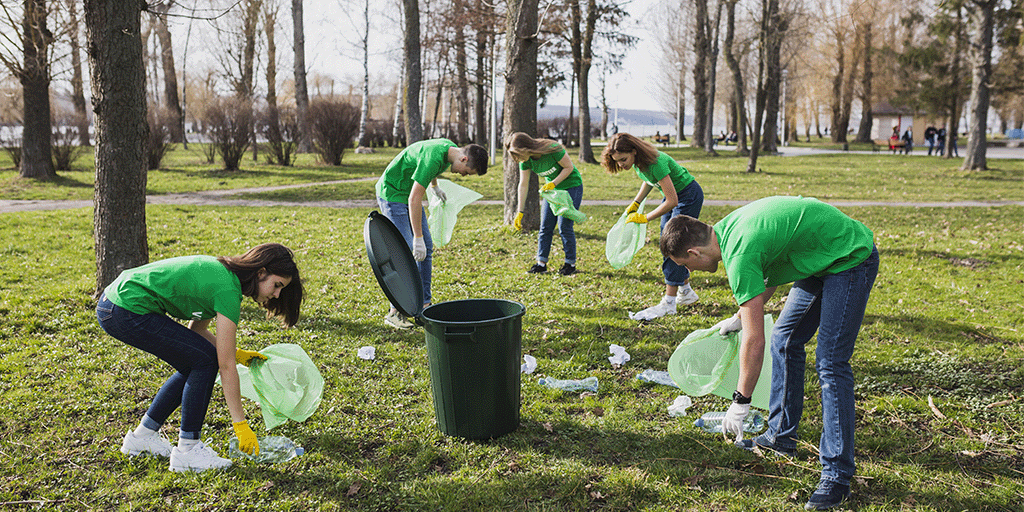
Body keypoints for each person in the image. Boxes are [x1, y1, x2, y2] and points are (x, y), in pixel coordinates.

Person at [660, 196, 879, 510]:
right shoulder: (726, 230)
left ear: (693, 252)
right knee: (785, 341)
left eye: (685, 266)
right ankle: (780, 437)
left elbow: (754, 340)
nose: (690, 272)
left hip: (849, 256)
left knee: (830, 363)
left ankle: (837, 475)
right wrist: (738, 318)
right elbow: (768, 272)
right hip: (819, 254)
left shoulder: (738, 253)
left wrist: (741, 401)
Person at [97, 243, 305, 472]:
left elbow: (196, 333)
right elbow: (224, 366)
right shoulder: (227, 289)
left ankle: (142, 437)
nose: (276, 294)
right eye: (277, 286)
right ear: (261, 272)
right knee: (204, 361)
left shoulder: (223, 276)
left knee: (196, 360)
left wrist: (236, 354)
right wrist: (241, 425)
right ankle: (188, 450)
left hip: (115, 304)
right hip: (126, 308)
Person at [375, 138, 488, 328]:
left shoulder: (448, 151)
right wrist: (416, 238)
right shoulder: (434, 157)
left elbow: (430, 171)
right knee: (403, 252)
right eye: (467, 173)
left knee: (426, 249)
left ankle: (424, 305)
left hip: (408, 193)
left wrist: (434, 186)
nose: (463, 176)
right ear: (463, 159)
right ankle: (394, 312)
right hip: (393, 193)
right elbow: (414, 199)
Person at [600, 132, 704, 321]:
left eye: (623, 159)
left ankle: (670, 302)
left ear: (633, 151)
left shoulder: (655, 162)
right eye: (618, 161)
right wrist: (636, 202)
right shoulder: (639, 162)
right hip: (675, 197)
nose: (622, 165)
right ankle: (686, 291)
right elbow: (648, 180)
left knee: (673, 245)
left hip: (687, 196)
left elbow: (672, 201)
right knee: (667, 244)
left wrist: (645, 218)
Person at [505, 132, 584, 276]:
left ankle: (570, 264)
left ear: (525, 149)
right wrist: (520, 212)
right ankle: (541, 264)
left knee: (564, 226)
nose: (516, 160)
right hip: (552, 191)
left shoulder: (552, 148)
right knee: (545, 226)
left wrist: (553, 183)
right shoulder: (526, 160)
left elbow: (569, 168)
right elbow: (523, 185)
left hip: (571, 186)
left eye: (517, 155)